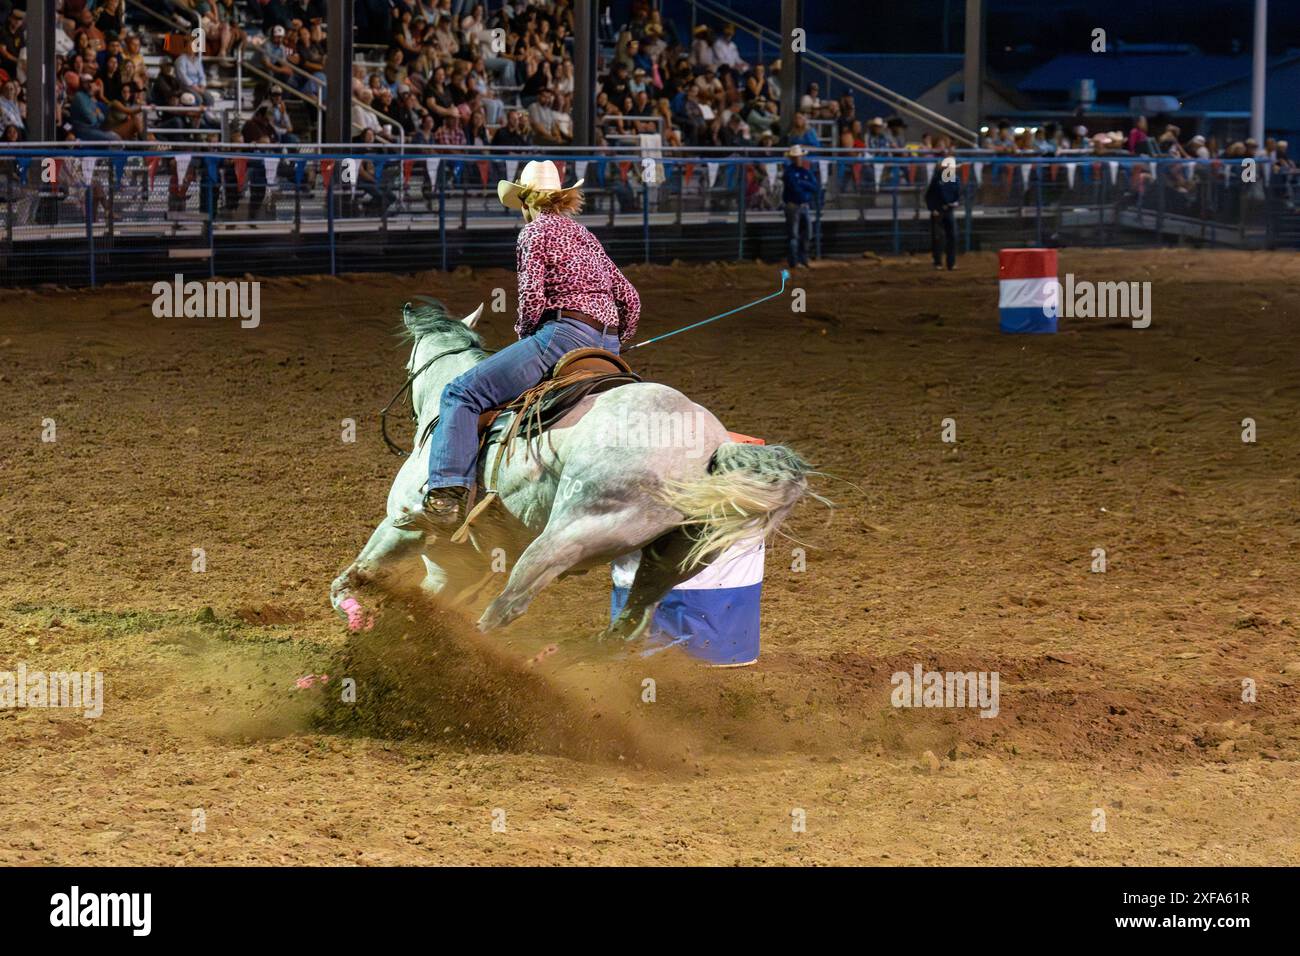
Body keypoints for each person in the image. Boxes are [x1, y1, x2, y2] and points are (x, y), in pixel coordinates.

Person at [418, 160, 640, 526]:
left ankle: (446, 489)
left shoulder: (533, 234)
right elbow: (630, 299)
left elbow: (532, 298)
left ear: (526, 201)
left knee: (461, 393)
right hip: (606, 345)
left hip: (562, 336)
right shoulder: (585, 234)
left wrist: (526, 338)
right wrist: (618, 343)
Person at [782, 144, 817, 269]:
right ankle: (795, 261)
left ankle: (802, 259)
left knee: (807, 233)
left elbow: (814, 187)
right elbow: (797, 188)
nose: (798, 159)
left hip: (802, 205)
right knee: (794, 235)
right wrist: (805, 186)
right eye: (796, 157)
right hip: (794, 205)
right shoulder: (789, 173)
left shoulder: (803, 171)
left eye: (799, 157)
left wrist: (802, 184)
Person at [925, 151, 961, 271]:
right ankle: (938, 262)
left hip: (949, 210)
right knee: (938, 237)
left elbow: (957, 194)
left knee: (952, 236)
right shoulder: (937, 179)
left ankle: (951, 263)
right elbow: (929, 196)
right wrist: (933, 209)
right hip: (938, 211)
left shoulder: (955, 179)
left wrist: (955, 202)